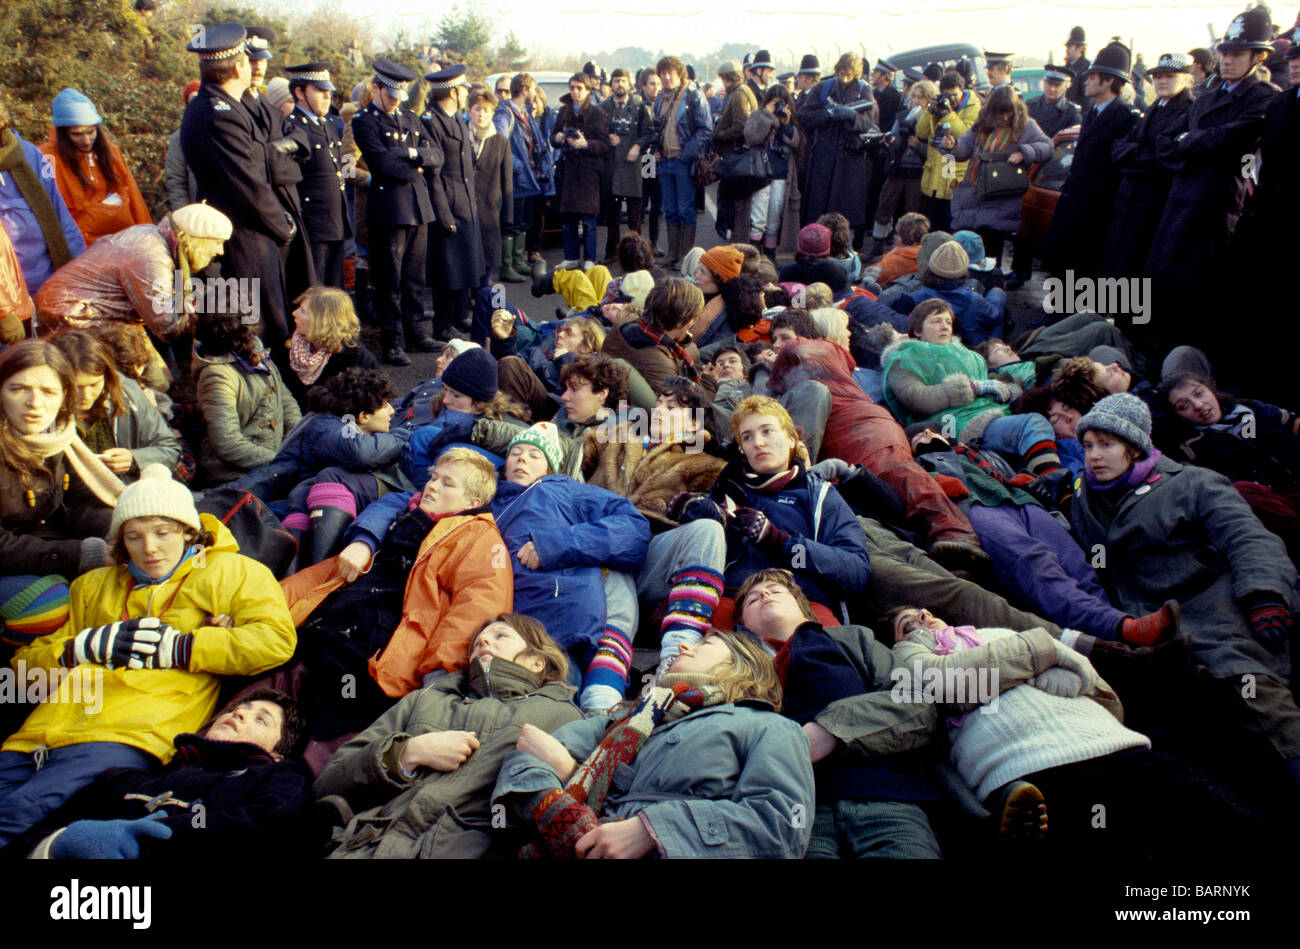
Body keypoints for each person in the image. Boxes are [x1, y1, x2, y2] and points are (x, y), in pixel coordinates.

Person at [0, 463, 296, 845]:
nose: (150, 548)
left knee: (13, 819)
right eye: (134, 536)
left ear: (189, 532)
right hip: (36, 734)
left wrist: (183, 646)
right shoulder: (92, 586)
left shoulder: (235, 572)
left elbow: (275, 640)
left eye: (163, 532)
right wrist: (80, 649)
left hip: (130, 737)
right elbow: (21, 675)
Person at [889, 605, 1258, 857]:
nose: (921, 618)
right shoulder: (906, 661)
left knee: (1223, 832)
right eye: (907, 624)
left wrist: (1072, 673)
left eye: (924, 613)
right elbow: (948, 683)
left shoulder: (997, 632)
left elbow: (1104, 695)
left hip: (1112, 745)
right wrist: (1043, 652)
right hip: (1031, 769)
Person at [1070, 394, 1300, 785]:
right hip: (1143, 629)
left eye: (1107, 444)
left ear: (1134, 447)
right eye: (1088, 445)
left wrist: (1264, 594)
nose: (1094, 456)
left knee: (1256, 698)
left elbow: (1247, 538)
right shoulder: (1083, 496)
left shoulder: (1194, 483)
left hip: (1215, 613)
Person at [492, 628, 814, 858]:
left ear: (742, 666)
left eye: (705, 643)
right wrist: (564, 817)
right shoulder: (622, 720)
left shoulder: (770, 726)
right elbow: (530, 751)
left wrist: (652, 831)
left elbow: (782, 825)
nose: (684, 647)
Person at [281, 448, 512, 734]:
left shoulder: (477, 536)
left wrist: (439, 677)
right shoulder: (404, 518)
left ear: (473, 501)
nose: (433, 485)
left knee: (319, 743)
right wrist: (264, 608)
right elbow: (326, 574)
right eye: (434, 477)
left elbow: (478, 605)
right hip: (315, 636)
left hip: (366, 664)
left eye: (447, 483)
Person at [314, 613, 582, 858]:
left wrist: (568, 770)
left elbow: (599, 813)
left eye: (501, 636)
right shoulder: (425, 700)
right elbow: (328, 783)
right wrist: (405, 754)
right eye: (478, 641)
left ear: (537, 661)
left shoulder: (564, 717)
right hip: (365, 848)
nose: (484, 640)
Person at [7, 689, 313, 859]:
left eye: (262, 720)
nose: (239, 713)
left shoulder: (281, 775)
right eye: (238, 707)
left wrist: (148, 841)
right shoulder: (124, 777)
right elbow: (28, 840)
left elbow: (272, 830)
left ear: (276, 753)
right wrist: (59, 844)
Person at [1145, 6, 1277, 371]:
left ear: (1258, 56)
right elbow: (1165, 142)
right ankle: (1159, 360)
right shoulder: (1206, 96)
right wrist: (1193, 145)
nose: (1227, 61)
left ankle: (1187, 370)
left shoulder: (1264, 97)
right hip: (1179, 202)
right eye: (1224, 53)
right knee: (1165, 287)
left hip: (1213, 209)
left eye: (1236, 54)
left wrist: (1191, 142)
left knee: (1198, 296)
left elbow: (1231, 141)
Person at [180, 23, 309, 368]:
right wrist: (283, 226)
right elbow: (249, 184)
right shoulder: (219, 114)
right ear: (238, 66)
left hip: (246, 232)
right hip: (245, 237)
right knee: (260, 328)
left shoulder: (221, 106)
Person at [881, 298, 1061, 475]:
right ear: (918, 331)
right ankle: (1054, 483)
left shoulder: (966, 354)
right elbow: (917, 398)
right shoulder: (903, 359)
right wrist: (972, 387)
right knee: (1032, 423)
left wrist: (1006, 386)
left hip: (989, 413)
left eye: (948, 322)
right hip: (954, 425)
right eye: (936, 321)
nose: (945, 327)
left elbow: (988, 380)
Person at [33, 202, 232, 358]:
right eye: (217, 242)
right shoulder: (153, 256)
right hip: (73, 316)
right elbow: (166, 325)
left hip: (80, 309)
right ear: (194, 239)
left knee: (159, 377)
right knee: (133, 374)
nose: (220, 251)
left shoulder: (153, 234)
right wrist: (206, 309)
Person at [0, 340, 120, 586]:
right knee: (48, 606)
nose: (34, 402)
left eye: (48, 391)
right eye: (18, 389)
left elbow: (77, 504)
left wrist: (122, 532)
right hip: (13, 562)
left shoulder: (57, 439)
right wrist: (80, 554)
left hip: (43, 549)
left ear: (65, 395)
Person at [1100, 53, 1196, 352]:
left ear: (1186, 78)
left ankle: (1134, 343)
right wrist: (1135, 155)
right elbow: (1119, 148)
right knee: (1120, 269)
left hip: (1153, 205)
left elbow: (1162, 156)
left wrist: (1134, 156)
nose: (1162, 81)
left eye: (1170, 76)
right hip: (1130, 200)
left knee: (1140, 275)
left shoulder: (1189, 110)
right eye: (1158, 76)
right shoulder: (1154, 107)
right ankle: (1120, 334)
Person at [352, 58, 437, 366]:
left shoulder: (410, 118)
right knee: (390, 281)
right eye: (389, 96)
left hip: (418, 207)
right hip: (389, 210)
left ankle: (416, 333)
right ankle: (393, 341)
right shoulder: (364, 120)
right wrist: (415, 165)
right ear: (376, 88)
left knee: (415, 278)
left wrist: (413, 154)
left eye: (398, 97)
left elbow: (435, 155)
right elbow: (382, 164)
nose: (394, 103)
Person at [1041, 41, 1142, 280]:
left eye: (1092, 76)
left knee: (1084, 268)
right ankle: (1059, 314)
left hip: (1096, 210)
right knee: (1063, 262)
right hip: (1074, 201)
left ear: (1108, 81)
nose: (1085, 81)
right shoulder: (1092, 112)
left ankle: (1075, 316)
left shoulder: (1125, 118)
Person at [940, 85, 1053, 276]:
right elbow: (965, 149)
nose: (1004, 118)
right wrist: (952, 147)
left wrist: (1024, 153)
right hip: (974, 194)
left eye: (1008, 113)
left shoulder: (1027, 125)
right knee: (968, 248)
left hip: (1001, 198)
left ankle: (990, 289)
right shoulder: (982, 124)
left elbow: (1047, 146)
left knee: (990, 254)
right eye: (1000, 113)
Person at [51, 330, 181, 485]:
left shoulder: (128, 393)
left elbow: (169, 449)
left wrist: (135, 459)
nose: (86, 395)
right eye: (77, 387)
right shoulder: (42, 409)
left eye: (94, 384)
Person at [192, 308, 300, 486]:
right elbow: (228, 443)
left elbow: (286, 402)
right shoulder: (216, 376)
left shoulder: (255, 352)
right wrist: (282, 462)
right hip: (237, 475)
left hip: (275, 462)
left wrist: (294, 445)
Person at [39, 88, 151, 247]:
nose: (86, 140)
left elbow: (133, 197)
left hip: (123, 242)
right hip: (80, 249)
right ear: (63, 133)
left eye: (91, 132)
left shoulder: (111, 152)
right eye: (76, 134)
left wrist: (147, 234)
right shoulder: (46, 158)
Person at [421, 65, 484, 341]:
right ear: (453, 91)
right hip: (447, 202)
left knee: (465, 263)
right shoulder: (431, 121)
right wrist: (442, 213)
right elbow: (433, 175)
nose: (466, 94)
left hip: (465, 202)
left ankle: (458, 315)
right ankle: (443, 323)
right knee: (446, 269)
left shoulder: (456, 119)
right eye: (463, 89)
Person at [0, 98, 85, 297]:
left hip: (45, 282)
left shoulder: (29, 155)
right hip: (6, 297)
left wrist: (78, 271)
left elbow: (59, 215)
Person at [285, 62, 350, 290]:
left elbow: (344, 163)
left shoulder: (330, 124)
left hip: (336, 220)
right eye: (320, 91)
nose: (328, 96)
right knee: (315, 290)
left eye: (329, 91)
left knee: (335, 290)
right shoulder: (292, 127)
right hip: (312, 223)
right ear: (299, 92)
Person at [798, 52, 876, 242]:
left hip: (850, 161)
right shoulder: (823, 88)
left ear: (856, 73)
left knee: (847, 211)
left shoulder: (863, 91)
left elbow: (868, 123)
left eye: (848, 72)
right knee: (818, 210)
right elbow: (804, 116)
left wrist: (851, 117)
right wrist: (828, 115)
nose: (843, 75)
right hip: (823, 159)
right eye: (841, 71)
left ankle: (843, 247)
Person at [601, 276, 717, 398]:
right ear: (679, 323)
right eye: (693, 319)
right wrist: (709, 382)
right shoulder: (659, 363)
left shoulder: (627, 323)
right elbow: (683, 408)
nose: (693, 323)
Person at [649, 56, 713, 270]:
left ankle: (685, 257)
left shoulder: (693, 96)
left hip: (684, 162)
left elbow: (706, 129)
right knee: (670, 209)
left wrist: (686, 154)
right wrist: (657, 151)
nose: (666, 77)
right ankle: (672, 253)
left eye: (671, 73)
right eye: (663, 73)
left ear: (680, 74)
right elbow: (656, 128)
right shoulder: (661, 98)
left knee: (686, 209)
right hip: (665, 161)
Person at [887, 241, 1008, 349]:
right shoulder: (975, 300)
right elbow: (995, 316)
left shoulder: (914, 299)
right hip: (972, 352)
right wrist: (997, 293)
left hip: (927, 350)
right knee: (996, 311)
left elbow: (884, 312)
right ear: (965, 271)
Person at [495, 73, 554, 282]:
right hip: (515, 177)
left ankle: (518, 261)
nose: (535, 93)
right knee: (512, 221)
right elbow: (499, 143)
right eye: (533, 89)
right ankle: (507, 265)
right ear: (525, 89)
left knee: (523, 220)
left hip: (528, 177)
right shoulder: (505, 113)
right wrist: (517, 165)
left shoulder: (525, 113)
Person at [552, 72, 611, 270]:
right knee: (568, 218)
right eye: (572, 88)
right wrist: (559, 138)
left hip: (589, 171)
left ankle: (589, 258)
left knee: (588, 220)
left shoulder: (598, 113)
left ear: (587, 90)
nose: (575, 92)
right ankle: (570, 256)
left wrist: (586, 144)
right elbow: (553, 137)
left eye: (579, 88)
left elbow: (605, 145)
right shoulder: (563, 112)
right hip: (568, 169)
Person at [285, 285, 381, 403]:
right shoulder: (292, 349)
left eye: (302, 311)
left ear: (323, 322)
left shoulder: (357, 360)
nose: (294, 313)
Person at [915, 72, 980, 236]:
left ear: (963, 91)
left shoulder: (973, 108)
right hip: (935, 180)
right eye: (947, 95)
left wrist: (948, 114)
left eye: (955, 95)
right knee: (935, 229)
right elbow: (921, 133)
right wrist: (930, 111)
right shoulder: (937, 105)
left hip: (955, 181)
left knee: (954, 230)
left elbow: (966, 135)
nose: (951, 99)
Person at [598, 68, 651, 264]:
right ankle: (612, 252)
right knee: (612, 216)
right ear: (610, 84)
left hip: (634, 166)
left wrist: (638, 145)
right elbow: (595, 134)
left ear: (629, 84)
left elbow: (649, 133)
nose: (619, 84)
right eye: (616, 80)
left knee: (635, 216)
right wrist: (606, 137)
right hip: (612, 167)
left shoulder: (639, 106)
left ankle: (637, 254)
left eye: (623, 80)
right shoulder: (603, 107)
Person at [745, 86, 802, 260]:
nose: (777, 106)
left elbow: (795, 142)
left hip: (781, 176)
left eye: (781, 102)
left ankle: (769, 258)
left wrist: (786, 123)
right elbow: (751, 137)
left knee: (774, 220)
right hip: (761, 175)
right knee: (758, 218)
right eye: (774, 101)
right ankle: (753, 258)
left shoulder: (789, 120)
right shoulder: (758, 116)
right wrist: (767, 114)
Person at [465, 86, 513, 286]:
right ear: (469, 111)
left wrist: (507, 216)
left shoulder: (500, 141)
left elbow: (507, 179)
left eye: (486, 110)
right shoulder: (460, 136)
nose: (481, 114)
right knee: (466, 257)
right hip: (465, 208)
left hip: (489, 209)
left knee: (487, 261)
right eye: (477, 109)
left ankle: (483, 299)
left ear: (492, 113)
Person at [164, 80, 202, 212]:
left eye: (201, 96)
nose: (197, 102)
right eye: (193, 98)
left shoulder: (224, 130)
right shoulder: (179, 138)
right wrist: (184, 216)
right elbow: (176, 181)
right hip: (196, 212)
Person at [1029, 66, 1083, 138]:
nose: (1051, 89)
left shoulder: (1071, 112)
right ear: (1044, 83)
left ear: (1067, 85)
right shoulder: (1029, 105)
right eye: (1049, 84)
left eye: (1057, 85)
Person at [1064, 25, 1091, 106]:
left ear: (1080, 48)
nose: (1067, 50)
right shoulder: (1065, 68)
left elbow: (1087, 98)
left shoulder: (1087, 69)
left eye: (1070, 47)